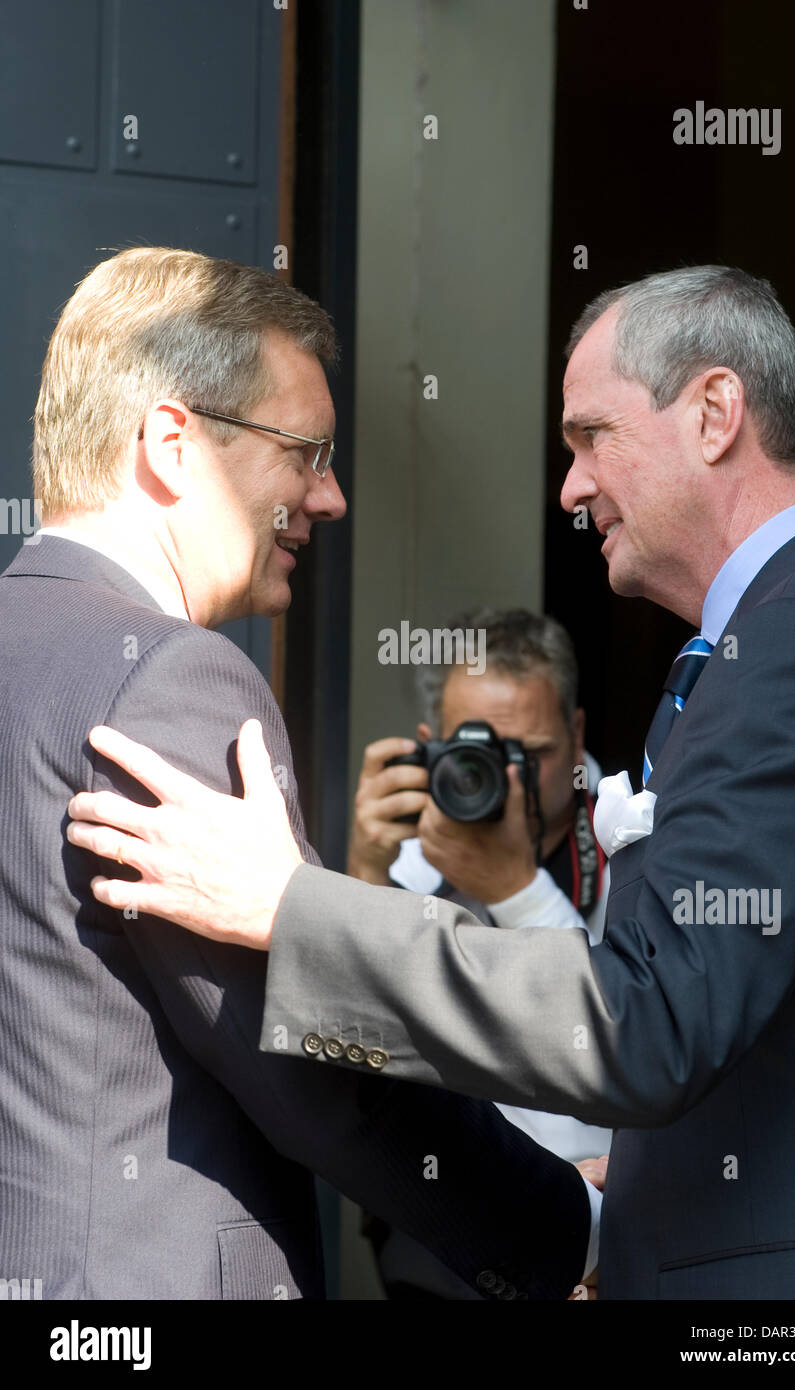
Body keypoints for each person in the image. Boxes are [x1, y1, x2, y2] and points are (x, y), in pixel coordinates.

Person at [67, 265, 795, 1300]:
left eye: (591, 438)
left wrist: (294, 907)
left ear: (715, 412)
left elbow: (648, 1017)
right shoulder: (764, 633)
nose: (571, 488)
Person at [0, 246, 601, 1301]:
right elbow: (310, 1064)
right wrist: (570, 1227)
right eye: (305, 452)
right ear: (172, 444)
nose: (330, 498)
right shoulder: (173, 681)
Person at [350, 607, 612, 1297]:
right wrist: (360, 883)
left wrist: (516, 889)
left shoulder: (637, 838)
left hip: (598, 1235)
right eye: (481, 754)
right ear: (430, 746)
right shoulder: (406, 853)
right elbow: (354, 1061)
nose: (508, 778)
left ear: (577, 733)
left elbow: (634, 1038)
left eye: (534, 752)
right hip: (443, 1237)